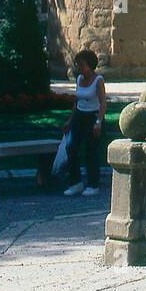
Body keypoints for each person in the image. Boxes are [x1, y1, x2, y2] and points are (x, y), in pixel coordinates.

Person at [63, 49, 106, 196]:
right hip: (79, 115)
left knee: (90, 150)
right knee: (71, 147)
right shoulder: (79, 79)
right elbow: (77, 100)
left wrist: (98, 122)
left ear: (90, 65)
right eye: (78, 65)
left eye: (82, 65)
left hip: (93, 116)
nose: (80, 68)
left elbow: (102, 103)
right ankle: (75, 182)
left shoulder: (98, 80)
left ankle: (93, 184)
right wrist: (70, 119)